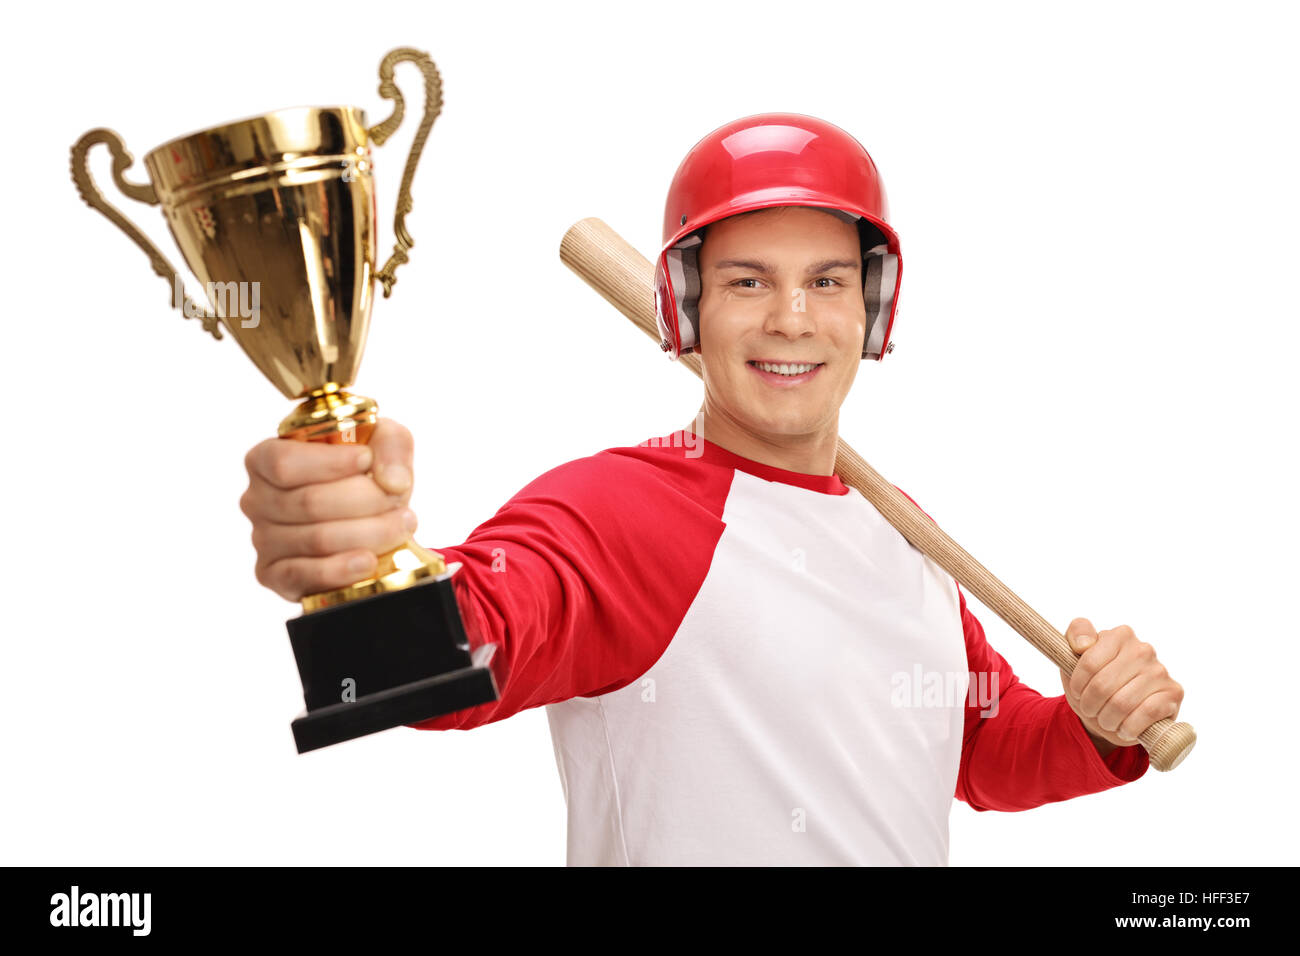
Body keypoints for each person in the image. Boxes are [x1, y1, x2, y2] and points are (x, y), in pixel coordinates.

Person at [239, 113, 1183, 865]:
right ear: (686, 308)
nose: (792, 318)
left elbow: (984, 747)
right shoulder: (620, 511)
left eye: (826, 280)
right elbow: (442, 668)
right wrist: (354, 572)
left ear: (872, 307)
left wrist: (1098, 725)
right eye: (746, 282)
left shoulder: (904, 534)